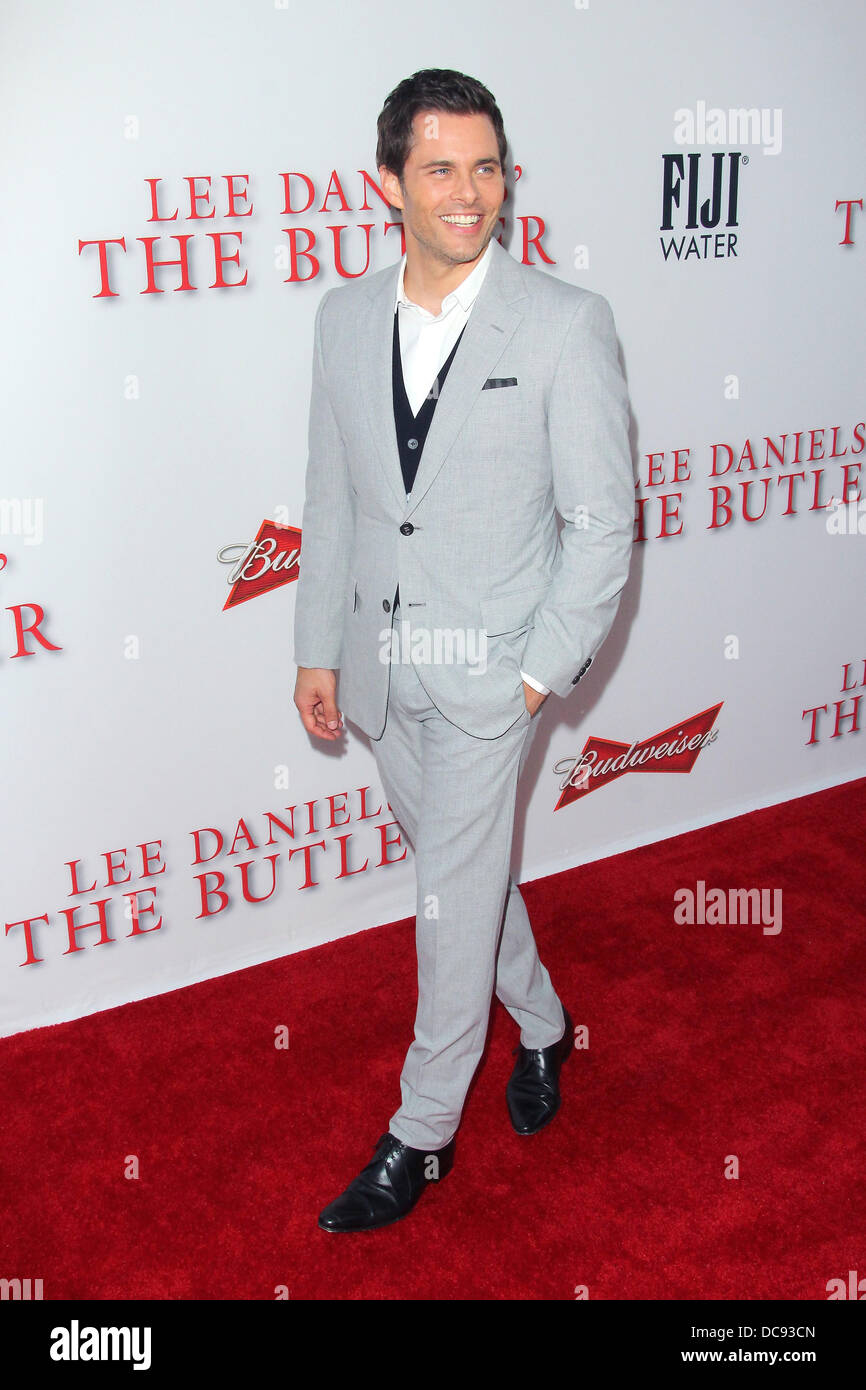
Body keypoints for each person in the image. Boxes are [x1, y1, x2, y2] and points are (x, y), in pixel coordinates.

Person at [293, 68, 634, 1233]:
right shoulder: (342, 319)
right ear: (386, 182)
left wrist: (533, 674)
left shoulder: (561, 322)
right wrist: (316, 648)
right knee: (465, 880)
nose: (467, 191)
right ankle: (544, 1025)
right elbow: (333, 496)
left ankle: (418, 1135)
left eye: (485, 166)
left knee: (444, 904)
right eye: (439, 168)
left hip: (493, 676)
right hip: (383, 673)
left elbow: (601, 527)